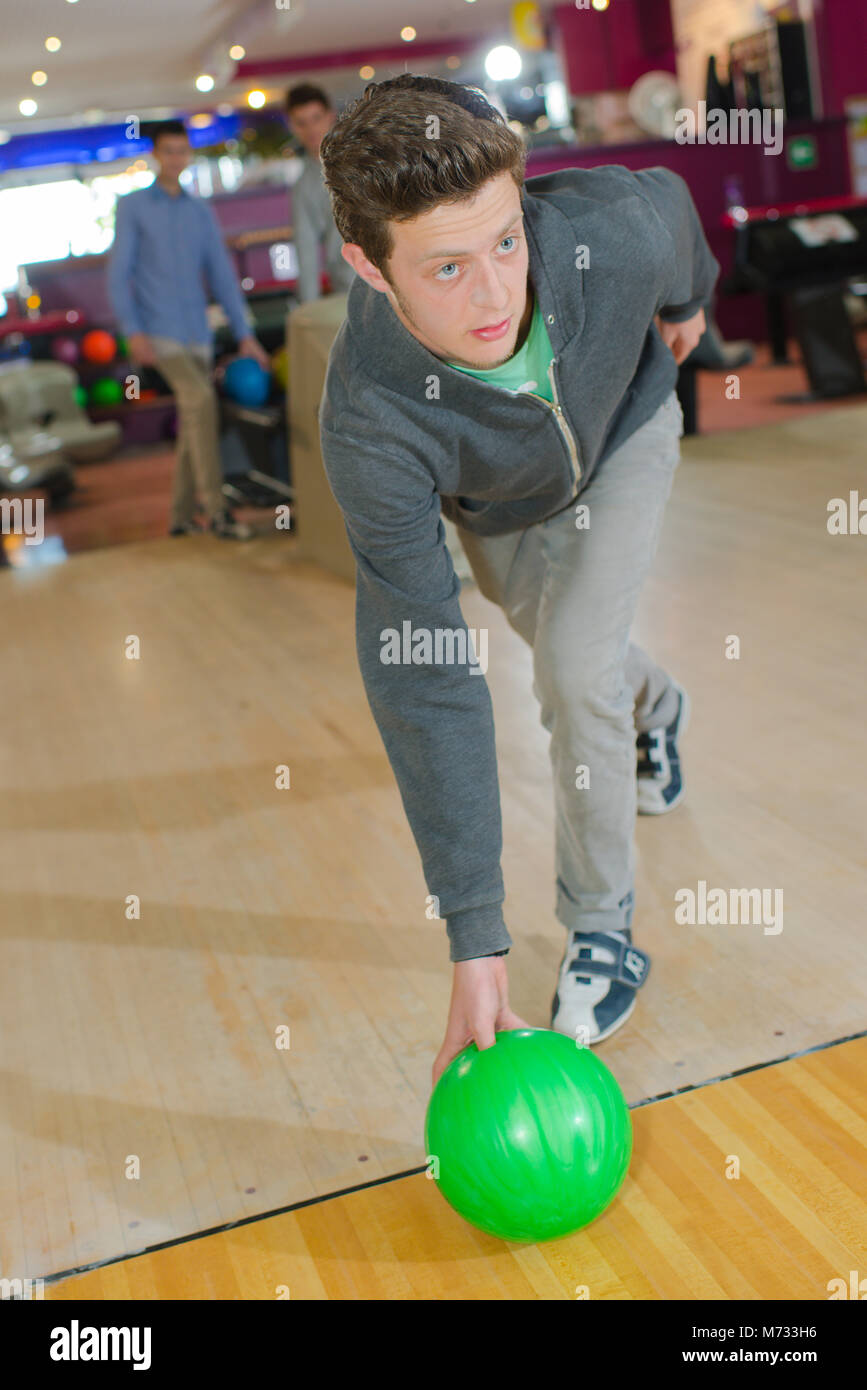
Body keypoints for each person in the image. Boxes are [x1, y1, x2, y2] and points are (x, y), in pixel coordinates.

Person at [317, 76, 718, 1086]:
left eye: (505, 242)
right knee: (575, 662)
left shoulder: (608, 229)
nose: (495, 294)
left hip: (623, 432)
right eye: (447, 267)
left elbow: (674, 210)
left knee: (573, 664)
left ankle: (602, 929)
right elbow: (426, 675)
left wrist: (687, 301)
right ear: (369, 266)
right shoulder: (371, 419)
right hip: (497, 507)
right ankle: (658, 707)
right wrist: (473, 933)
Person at [108, 119, 270, 540]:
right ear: (155, 155)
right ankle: (217, 513)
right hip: (158, 333)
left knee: (194, 416)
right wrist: (132, 332)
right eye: (168, 150)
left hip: (197, 334)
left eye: (183, 150)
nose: (176, 158)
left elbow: (221, 277)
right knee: (200, 401)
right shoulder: (133, 207)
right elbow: (117, 275)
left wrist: (244, 333)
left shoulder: (200, 211)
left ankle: (179, 518)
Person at [285, 84, 357, 304]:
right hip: (349, 289)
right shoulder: (303, 187)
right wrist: (308, 311)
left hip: (397, 278)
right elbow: (306, 253)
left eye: (316, 118)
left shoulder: (365, 160)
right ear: (292, 126)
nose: (311, 129)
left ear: (330, 116)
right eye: (301, 123)